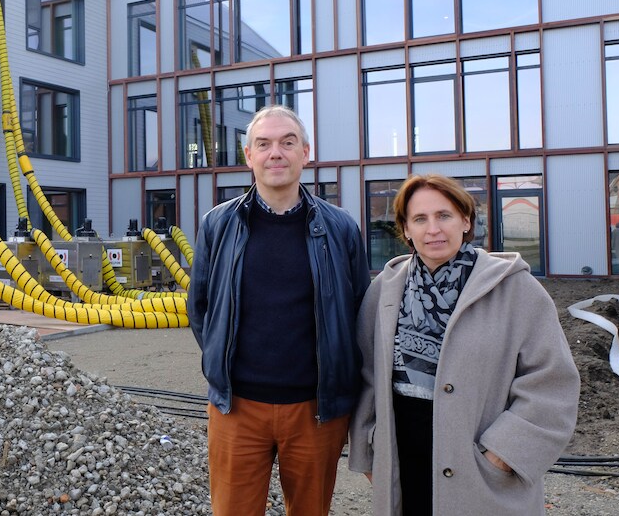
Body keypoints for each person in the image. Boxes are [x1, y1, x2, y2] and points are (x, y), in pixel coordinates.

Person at [348, 174, 579, 515]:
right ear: (406, 229)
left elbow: (552, 383)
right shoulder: (385, 289)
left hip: (479, 465)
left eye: (444, 216)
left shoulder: (515, 290)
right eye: (420, 219)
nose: (434, 229)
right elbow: (366, 377)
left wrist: (502, 454)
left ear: (465, 220)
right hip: (403, 457)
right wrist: (369, 451)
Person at [187, 105, 370, 516]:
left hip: (316, 411)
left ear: (305, 153)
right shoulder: (217, 225)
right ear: (249, 156)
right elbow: (200, 308)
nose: (276, 153)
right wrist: (222, 363)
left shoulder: (341, 229)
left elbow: (360, 311)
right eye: (264, 144)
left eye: (288, 143)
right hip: (236, 408)